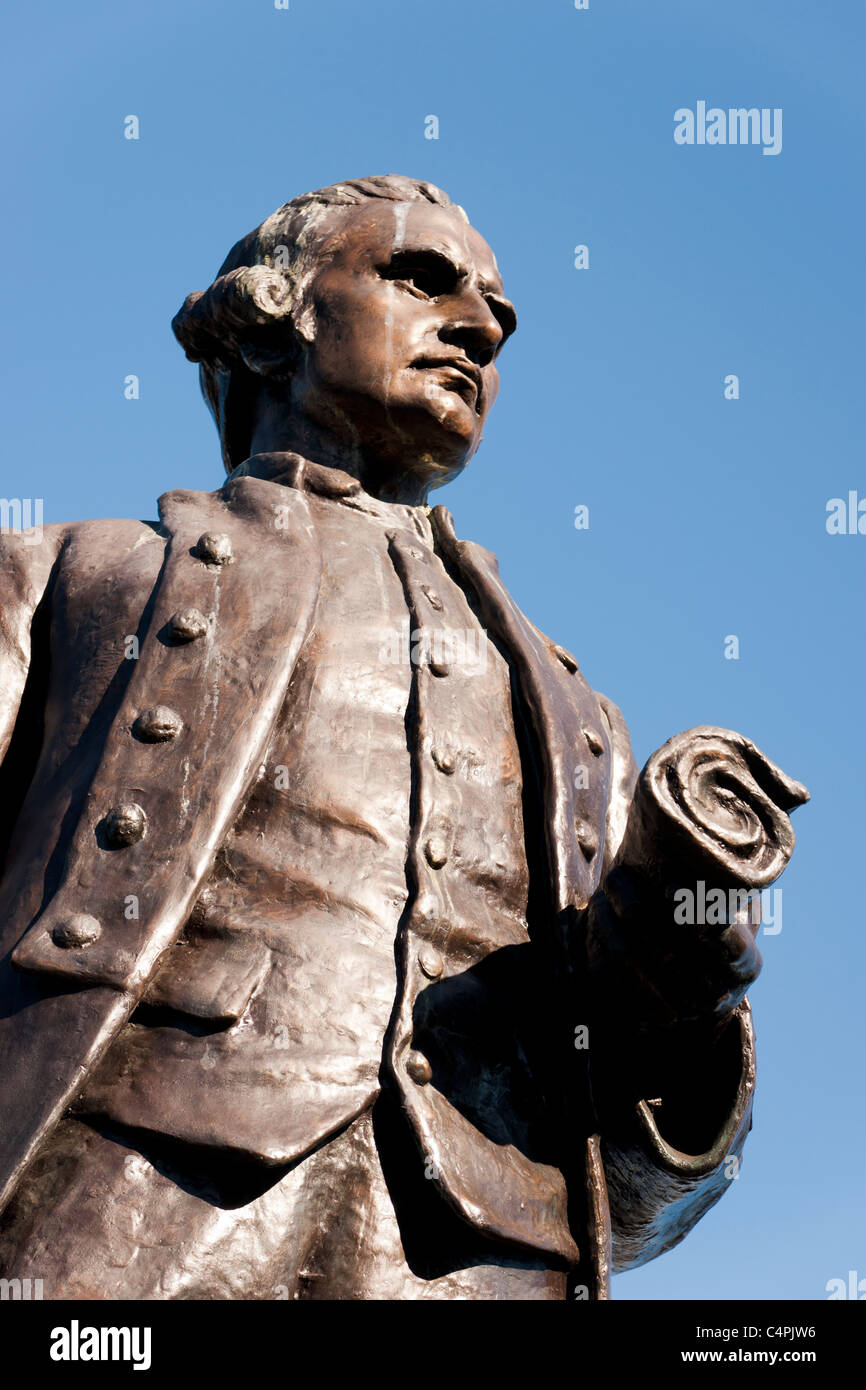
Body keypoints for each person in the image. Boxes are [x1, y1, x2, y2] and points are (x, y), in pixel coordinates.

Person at [0, 176, 806, 1299]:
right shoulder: (74, 581)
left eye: (496, 313)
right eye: (420, 277)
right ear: (275, 315)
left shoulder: (578, 718)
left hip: (487, 1250)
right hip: (139, 1204)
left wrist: (681, 976)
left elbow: (636, 1177)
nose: (478, 325)